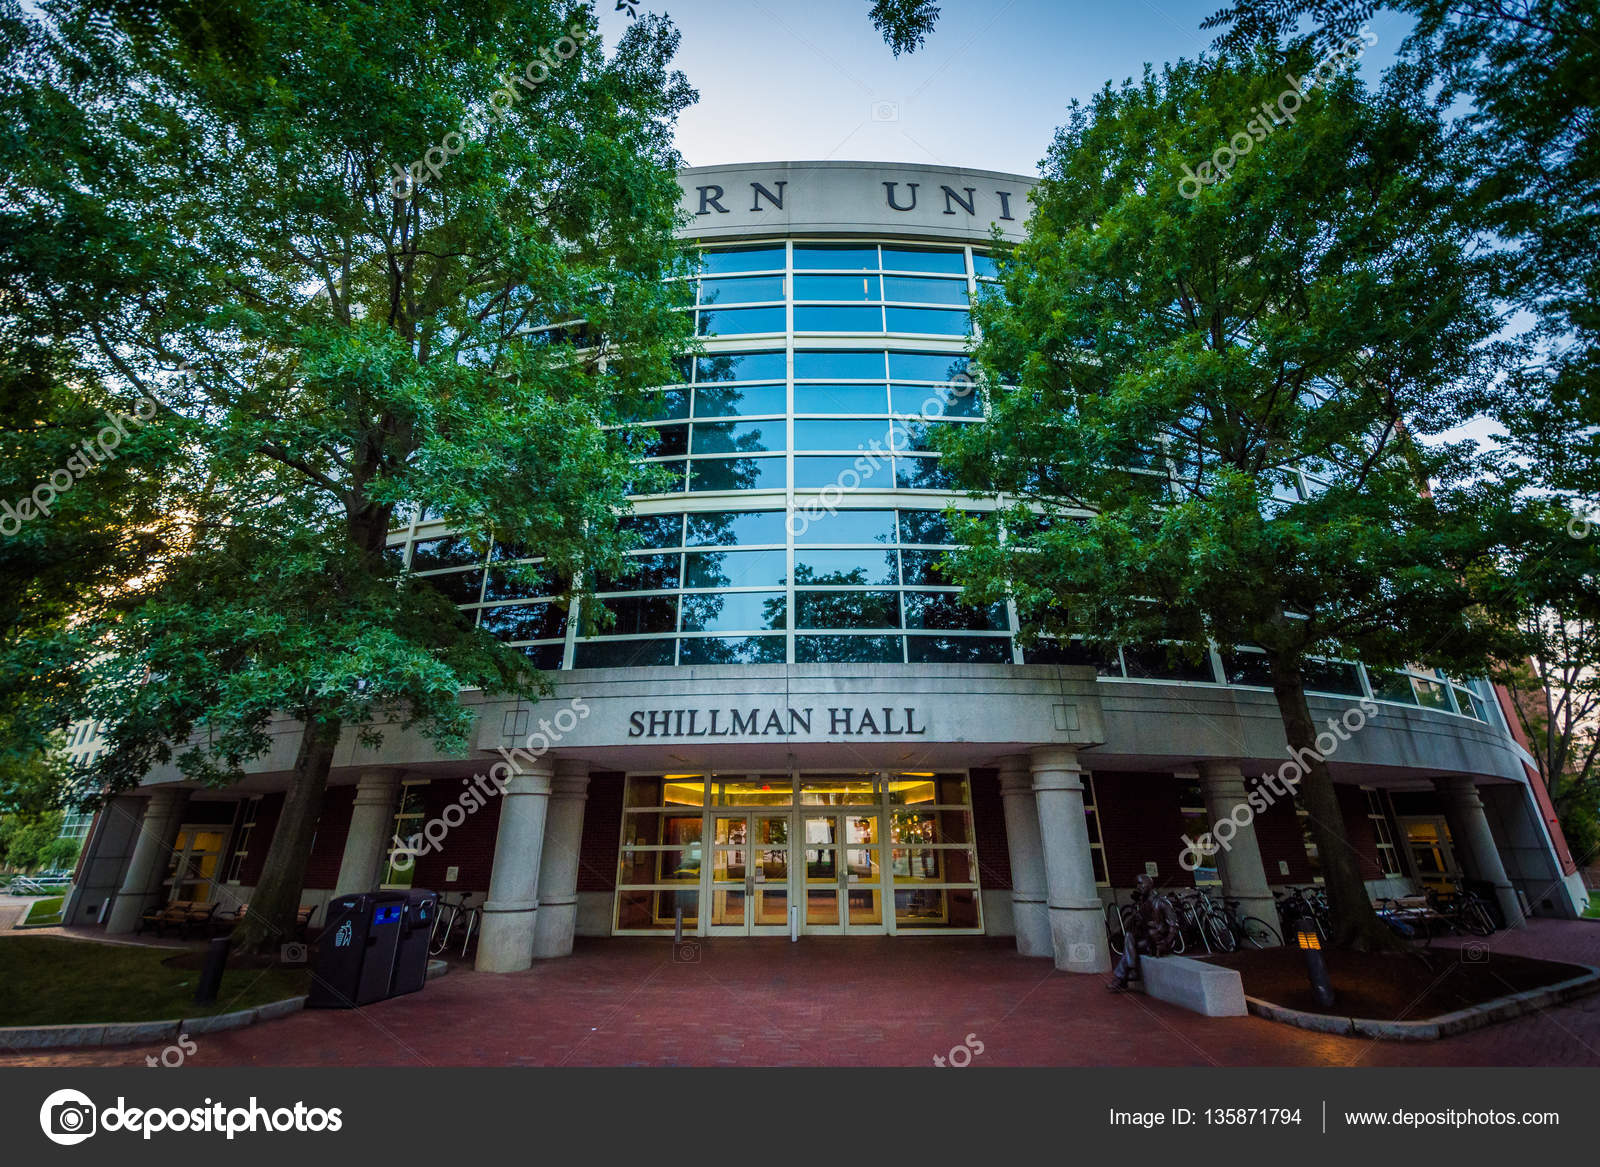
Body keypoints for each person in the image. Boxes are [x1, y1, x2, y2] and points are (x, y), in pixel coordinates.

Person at [1109, 873, 1181, 991]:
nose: (1138, 887)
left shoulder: (1162, 902)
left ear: (1149, 884)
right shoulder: (1142, 904)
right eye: (1136, 885)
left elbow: (1174, 926)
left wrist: (1165, 943)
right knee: (1129, 936)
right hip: (1148, 940)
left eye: (1140, 883)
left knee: (1129, 949)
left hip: (1159, 941)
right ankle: (1130, 972)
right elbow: (1136, 926)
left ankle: (1123, 978)